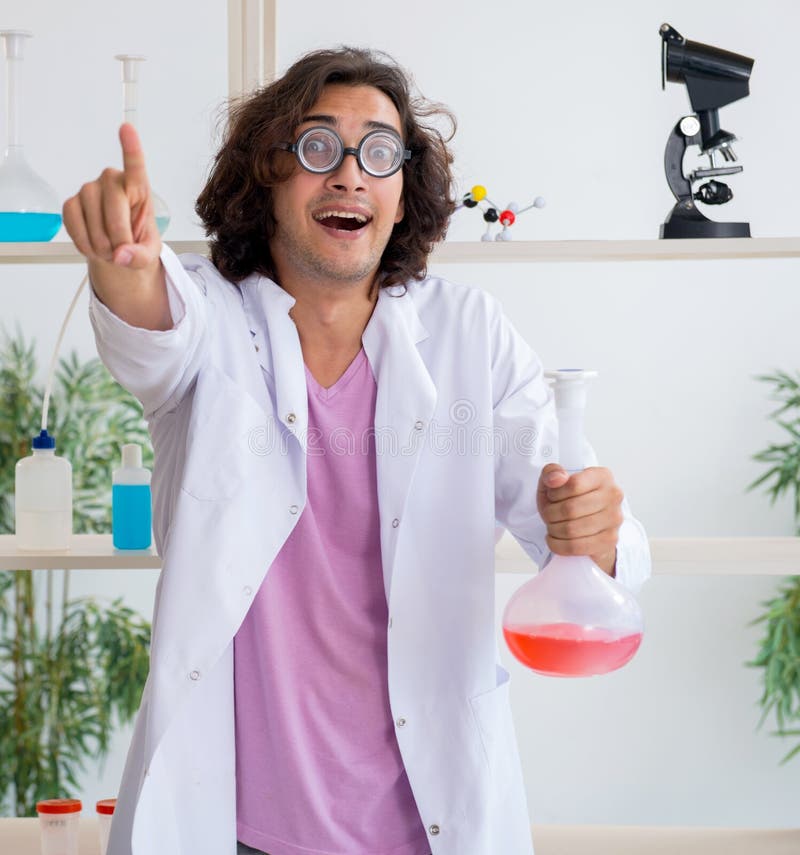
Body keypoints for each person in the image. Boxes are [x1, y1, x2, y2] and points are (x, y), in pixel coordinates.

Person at [64, 46, 650, 855]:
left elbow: (575, 536)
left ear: (404, 190)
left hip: (430, 826)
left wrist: (593, 531)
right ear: (266, 175)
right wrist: (121, 263)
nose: (349, 176)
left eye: (379, 152)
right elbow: (149, 328)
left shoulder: (468, 337)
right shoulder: (211, 321)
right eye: (316, 148)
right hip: (235, 832)